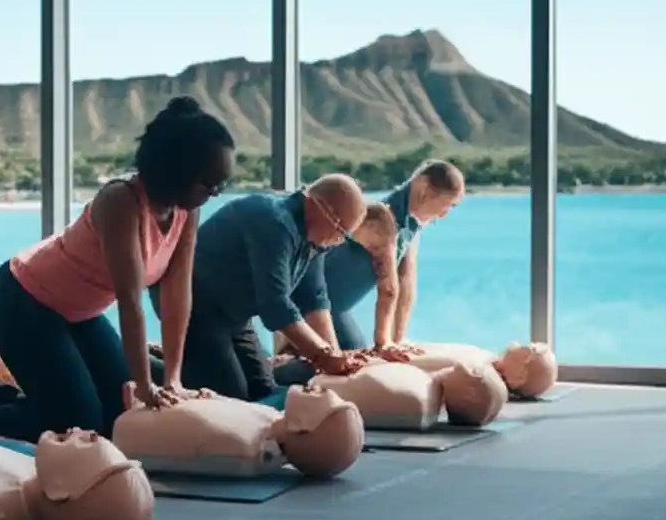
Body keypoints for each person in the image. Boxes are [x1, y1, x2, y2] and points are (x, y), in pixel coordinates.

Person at [0, 96, 236, 443]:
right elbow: (130, 301)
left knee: (118, 413)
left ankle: (10, 402)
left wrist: (172, 379)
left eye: (220, 186)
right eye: (209, 184)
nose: (214, 193)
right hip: (22, 300)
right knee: (83, 423)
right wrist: (145, 386)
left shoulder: (185, 211)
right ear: (177, 171)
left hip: (79, 313)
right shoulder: (121, 200)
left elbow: (177, 294)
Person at [158, 174, 369, 402]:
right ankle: (152, 369)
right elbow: (275, 305)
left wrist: (335, 357)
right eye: (340, 230)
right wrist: (322, 355)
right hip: (195, 309)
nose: (338, 241)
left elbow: (314, 298)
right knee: (233, 397)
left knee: (263, 389)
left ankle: (183, 363)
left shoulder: (312, 239)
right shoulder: (274, 221)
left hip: (235, 317)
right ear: (318, 206)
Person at [320, 160, 464, 351]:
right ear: (424, 189)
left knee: (357, 356)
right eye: (449, 205)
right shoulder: (381, 218)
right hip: (315, 306)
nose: (445, 214)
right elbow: (388, 289)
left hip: (334, 308)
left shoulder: (410, 225)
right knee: (350, 357)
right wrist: (383, 342)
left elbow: (406, 281)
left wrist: (397, 339)